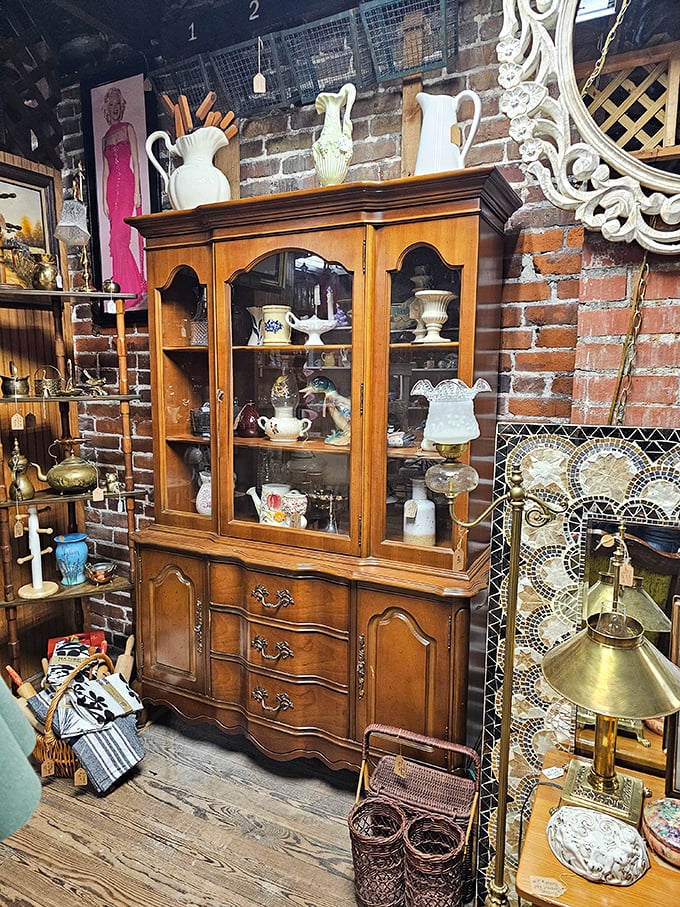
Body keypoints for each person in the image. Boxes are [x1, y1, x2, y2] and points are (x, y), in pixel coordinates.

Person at [101, 86, 146, 306]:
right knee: (115, 239)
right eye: (111, 104)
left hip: (127, 185)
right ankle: (123, 287)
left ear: (122, 106)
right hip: (111, 189)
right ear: (107, 108)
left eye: (118, 104)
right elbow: (105, 171)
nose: (115, 108)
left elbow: (136, 162)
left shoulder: (128, 128)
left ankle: (132, 289)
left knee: (121, 237)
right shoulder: (104, 138)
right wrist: (103, 200)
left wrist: (137, 191)